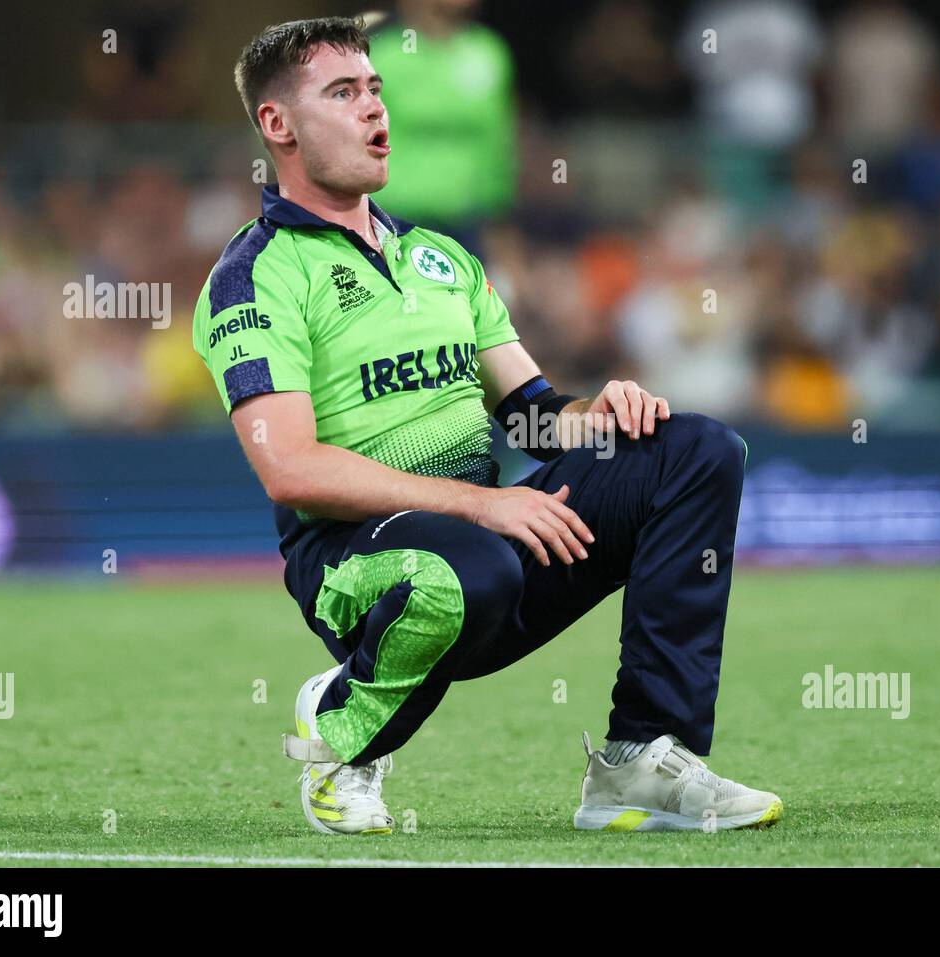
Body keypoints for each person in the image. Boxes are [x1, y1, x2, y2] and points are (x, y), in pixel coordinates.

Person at [191, 16, 781, 834]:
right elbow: (289, 468)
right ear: (277, 124)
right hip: (357, 566)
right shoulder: (253, 275)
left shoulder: (444, 259)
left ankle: (642, 758)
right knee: (460, 570)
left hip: (490, 550)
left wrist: (597, 413)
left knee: (697, 450)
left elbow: (534, 419)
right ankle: (341, 731)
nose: (373, 111)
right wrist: (483, 505)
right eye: (342, 93)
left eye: (374, 89)